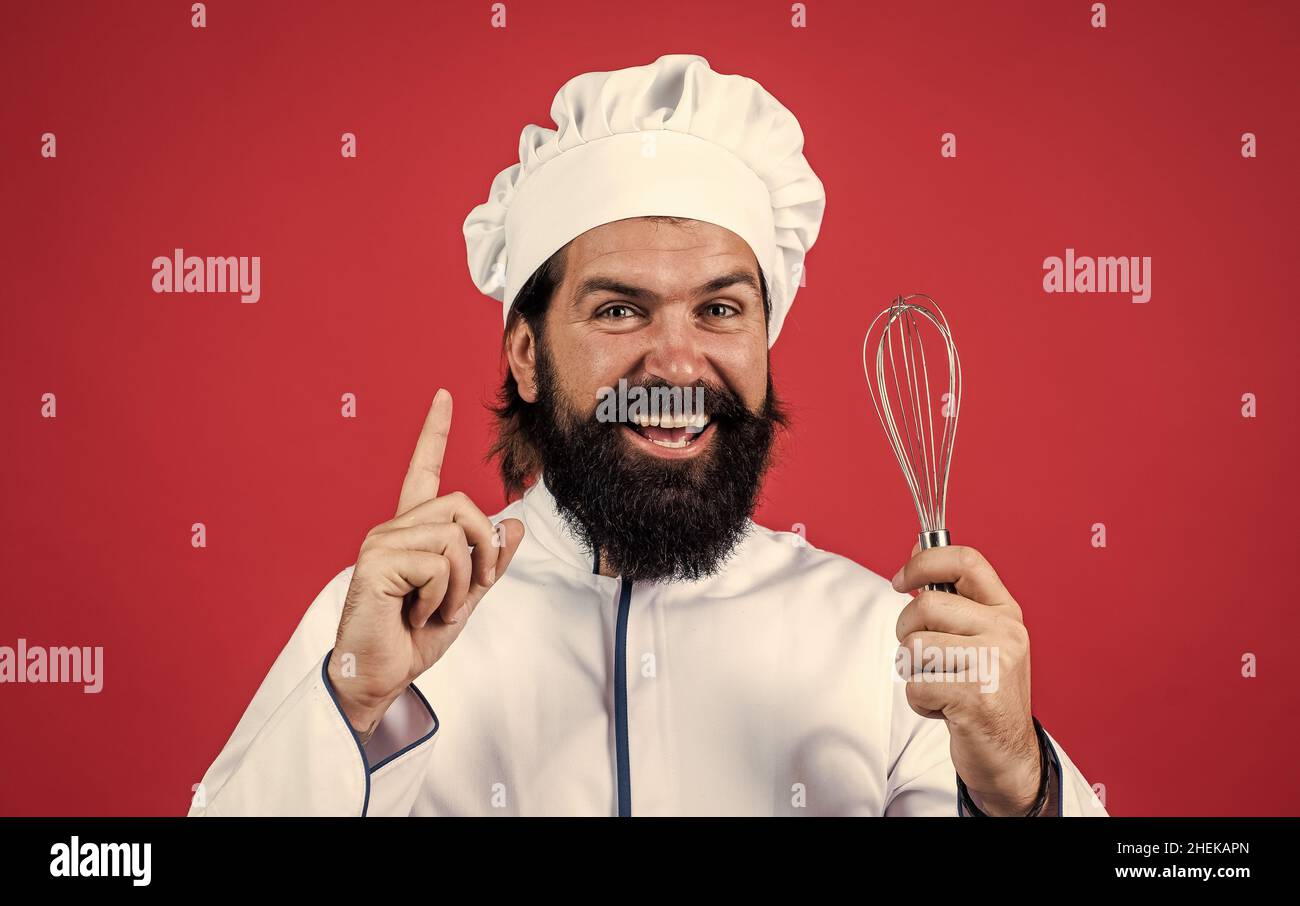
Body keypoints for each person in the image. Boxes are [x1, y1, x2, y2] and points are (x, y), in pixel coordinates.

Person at [188, 54, 1107, 817]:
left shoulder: (889, 647)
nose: (675, 365)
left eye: (719, 309)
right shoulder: (379, 628)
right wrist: (351, 706)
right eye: (621, 309)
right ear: (526, 353)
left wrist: (1020, 785)